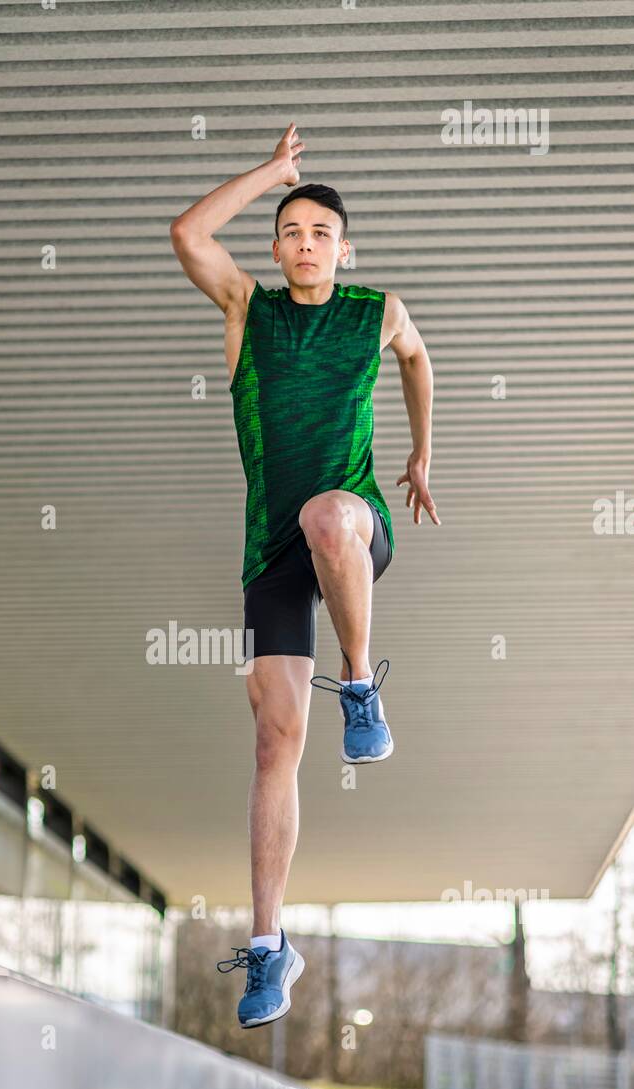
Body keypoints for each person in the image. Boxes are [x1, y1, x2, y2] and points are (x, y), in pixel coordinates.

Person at [169, 123, 438, 1028]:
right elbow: (186, 235)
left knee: (328, 513)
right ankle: (270, 945)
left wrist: (420, 456)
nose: (305, 243)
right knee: (275, 738)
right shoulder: (249, 308)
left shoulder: (376, 310)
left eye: (321, 232)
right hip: (270, 553)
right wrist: (269, 175)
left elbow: (417, 359)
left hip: (352, 525)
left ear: (343, 250)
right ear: (277, 246)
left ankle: (360, 684)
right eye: (291, 229)